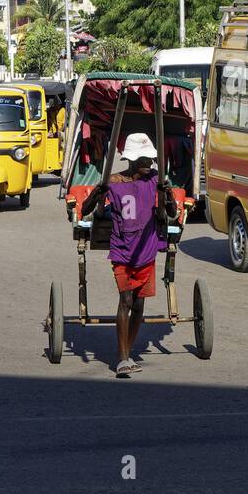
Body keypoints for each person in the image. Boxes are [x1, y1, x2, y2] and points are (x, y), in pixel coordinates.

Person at [81, 133, 178, 378]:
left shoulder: (156, 180)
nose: (150, 163)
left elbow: (172, 211)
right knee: (125, 300)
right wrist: (97, 192)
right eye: (144, 158)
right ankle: (122, 359)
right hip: (123, 250)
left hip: (146, 250)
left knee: (139, 304)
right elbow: (85, 210)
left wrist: (167, 195)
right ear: (133, 161)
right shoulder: (113, 181)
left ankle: (128, 351)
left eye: (150, 158)